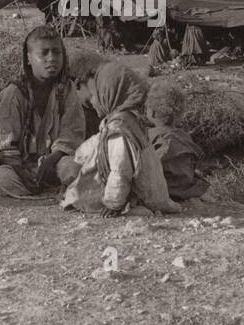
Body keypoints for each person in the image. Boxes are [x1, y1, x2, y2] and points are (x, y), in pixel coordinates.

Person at [61, 61, 179, 215]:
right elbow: (97, 143)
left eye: (96, 95)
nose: (93, 101)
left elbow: (120, 171)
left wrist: (113, 203)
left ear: (111, 95)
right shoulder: (128, 120)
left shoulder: (119, 129)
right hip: (152, 190)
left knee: (80, 198)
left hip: (142, 194)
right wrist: (77, 159)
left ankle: (133, 207)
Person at [0, 26, 84, 197]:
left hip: (55, 161)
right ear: (29, 58)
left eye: (56, 52)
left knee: (73, 169)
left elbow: (72, 132)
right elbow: (2, 144)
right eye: (44, 53)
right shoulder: (14, 93)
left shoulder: (66, 90)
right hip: (20, 166)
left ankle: (51, 188)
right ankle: (47, 192)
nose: (52, 58)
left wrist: (51, 160)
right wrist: (22, 172)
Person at [146, 80, 208, 200]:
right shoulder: (184, 137)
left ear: (152, 113)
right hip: (186, 189)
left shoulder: (149, 135)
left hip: (162, 190)